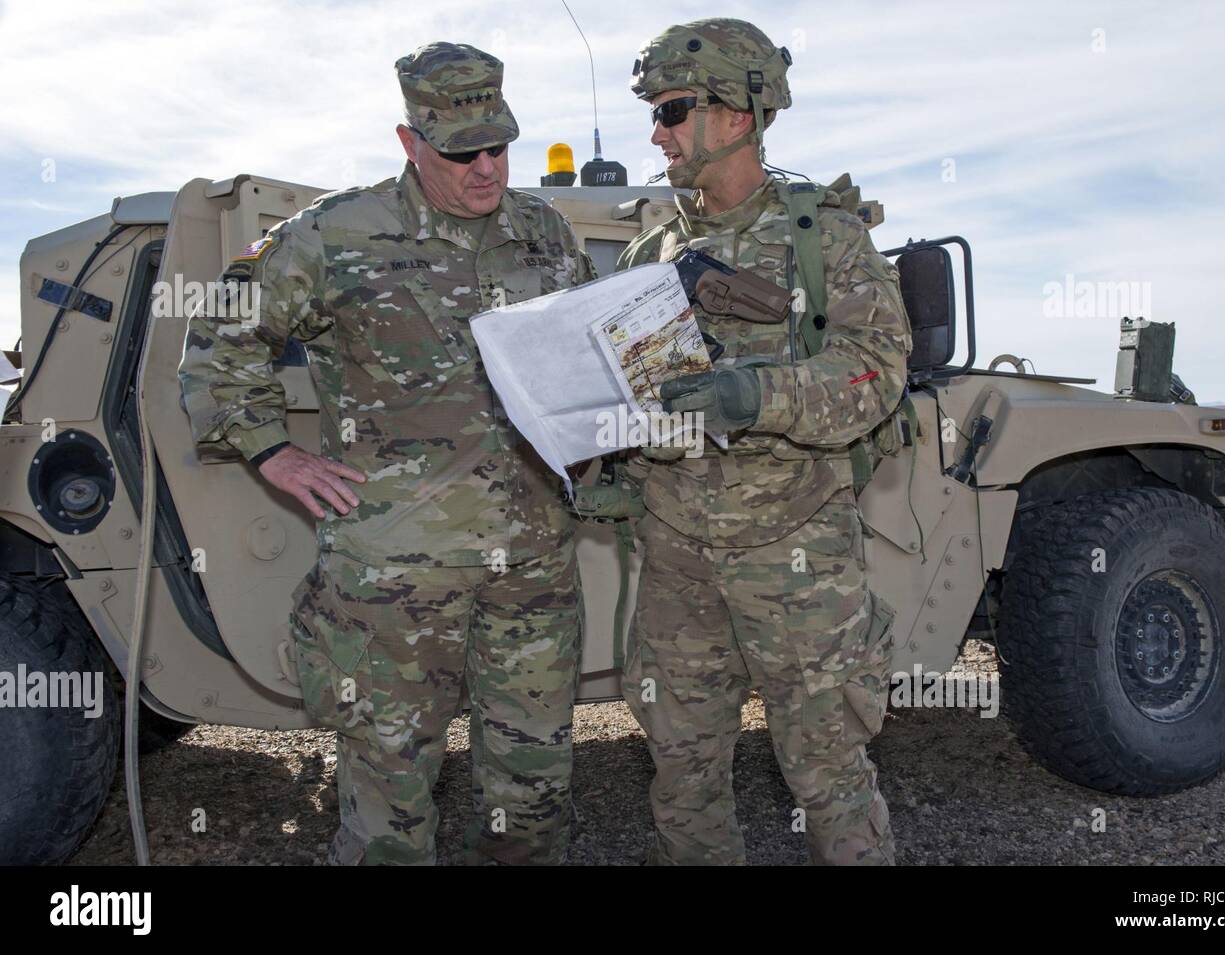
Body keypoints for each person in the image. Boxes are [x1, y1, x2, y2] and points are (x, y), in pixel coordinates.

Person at [178, 41, 594, 865]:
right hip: (394, 581)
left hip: (535, 568)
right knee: (389, 813)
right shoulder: (335, 234)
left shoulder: (545, 232)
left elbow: (585, 351)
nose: (487, 169)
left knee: (535, 794)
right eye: (462, 152)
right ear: (411, 142)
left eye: (499, 146)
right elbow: (222, 341)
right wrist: (273, 454)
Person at [615, 17, 912, 864]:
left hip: (797, 560)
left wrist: (754, 393)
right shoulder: (651, 250)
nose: (657, 133)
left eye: (672, 111)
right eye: (657, 113)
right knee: (682, 772)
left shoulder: (827, 239)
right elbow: (636, 390)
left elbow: (874, 374)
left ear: (738, 116)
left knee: (828, 774)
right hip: (675, 559)